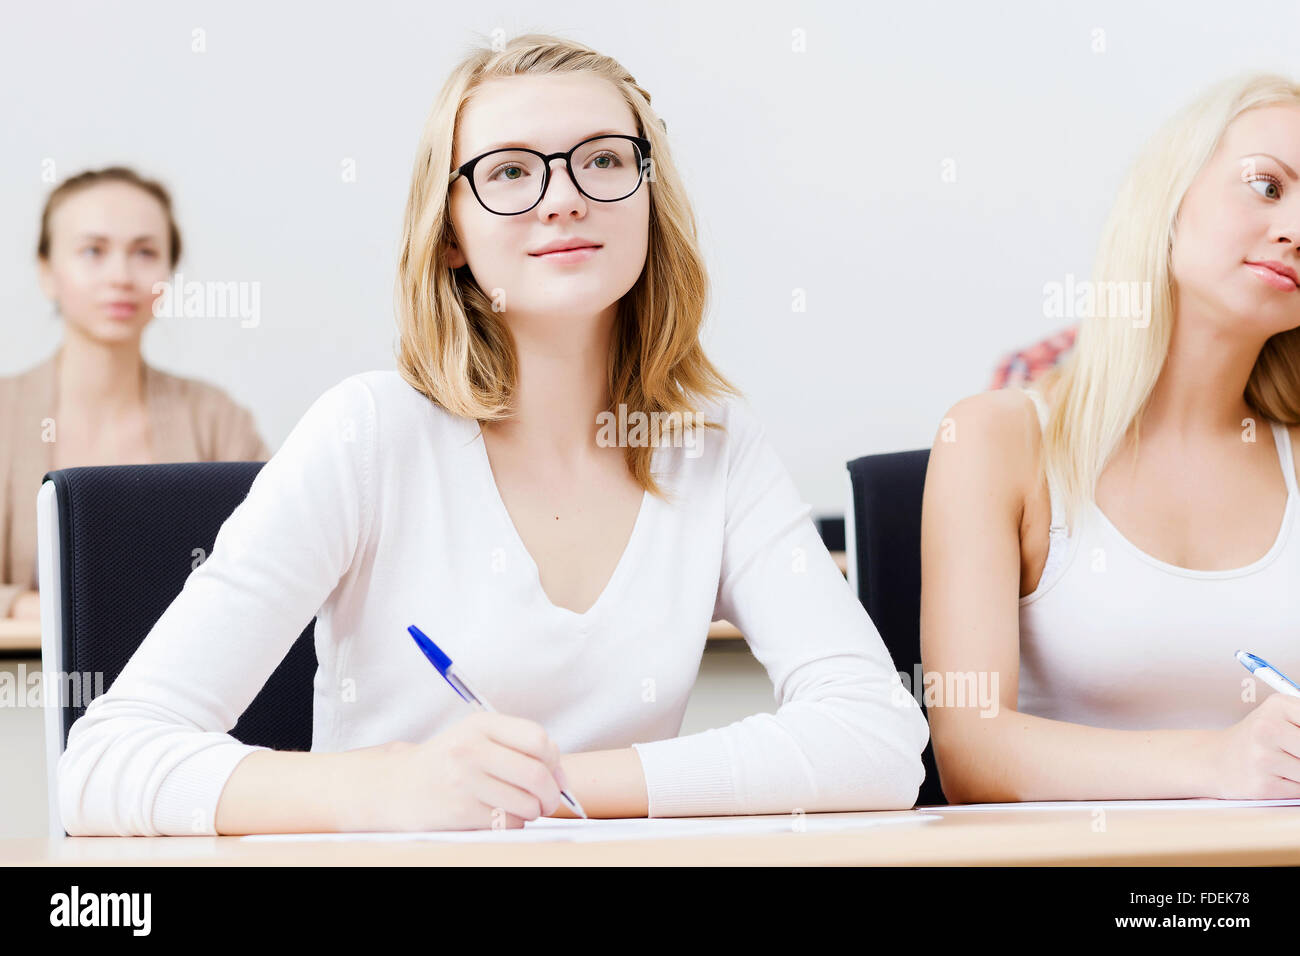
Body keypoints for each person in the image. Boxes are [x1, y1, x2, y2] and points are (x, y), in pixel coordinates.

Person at [57, 33, 929, 836]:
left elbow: (878, 739)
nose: (563, 198)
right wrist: (391, 789)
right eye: (509, 172)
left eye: (602, 160)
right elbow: (102, 764)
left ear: (648, 200)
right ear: (449, 237)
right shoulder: (368, 437)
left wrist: (552, 786)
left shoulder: (713, 444)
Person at [921, 71, 1300, 803]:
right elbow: (970, 753)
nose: (1297, 229)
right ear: (1171, 195)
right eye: (1266, 186)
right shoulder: (993, 439)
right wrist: (1217, 764)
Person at [0, 167, 270, 620]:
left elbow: (274, 566)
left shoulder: (217, 419)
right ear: (46, 271)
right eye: (93, 251)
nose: (121, 276)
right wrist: (39, 610)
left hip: (190, 687)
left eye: (145, 252)